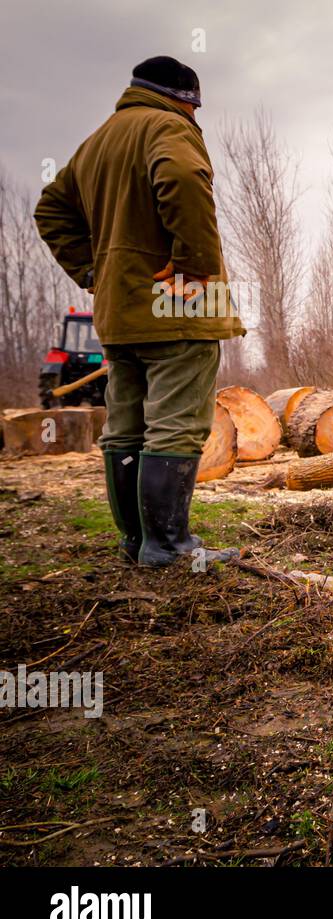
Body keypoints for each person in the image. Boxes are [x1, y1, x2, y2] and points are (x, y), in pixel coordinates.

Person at [35, 56, 244, 566]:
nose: (196, 117)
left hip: (121, 311)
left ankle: (137, 543)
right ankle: (170, 547)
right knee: (177, 421)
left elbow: (50, 208)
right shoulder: (167, 126)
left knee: (125, 423)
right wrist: (194, 267)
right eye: (195, 107)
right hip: (176, 303)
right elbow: (181, 174)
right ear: (184, 100)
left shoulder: (98, 141)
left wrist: (93, 272)